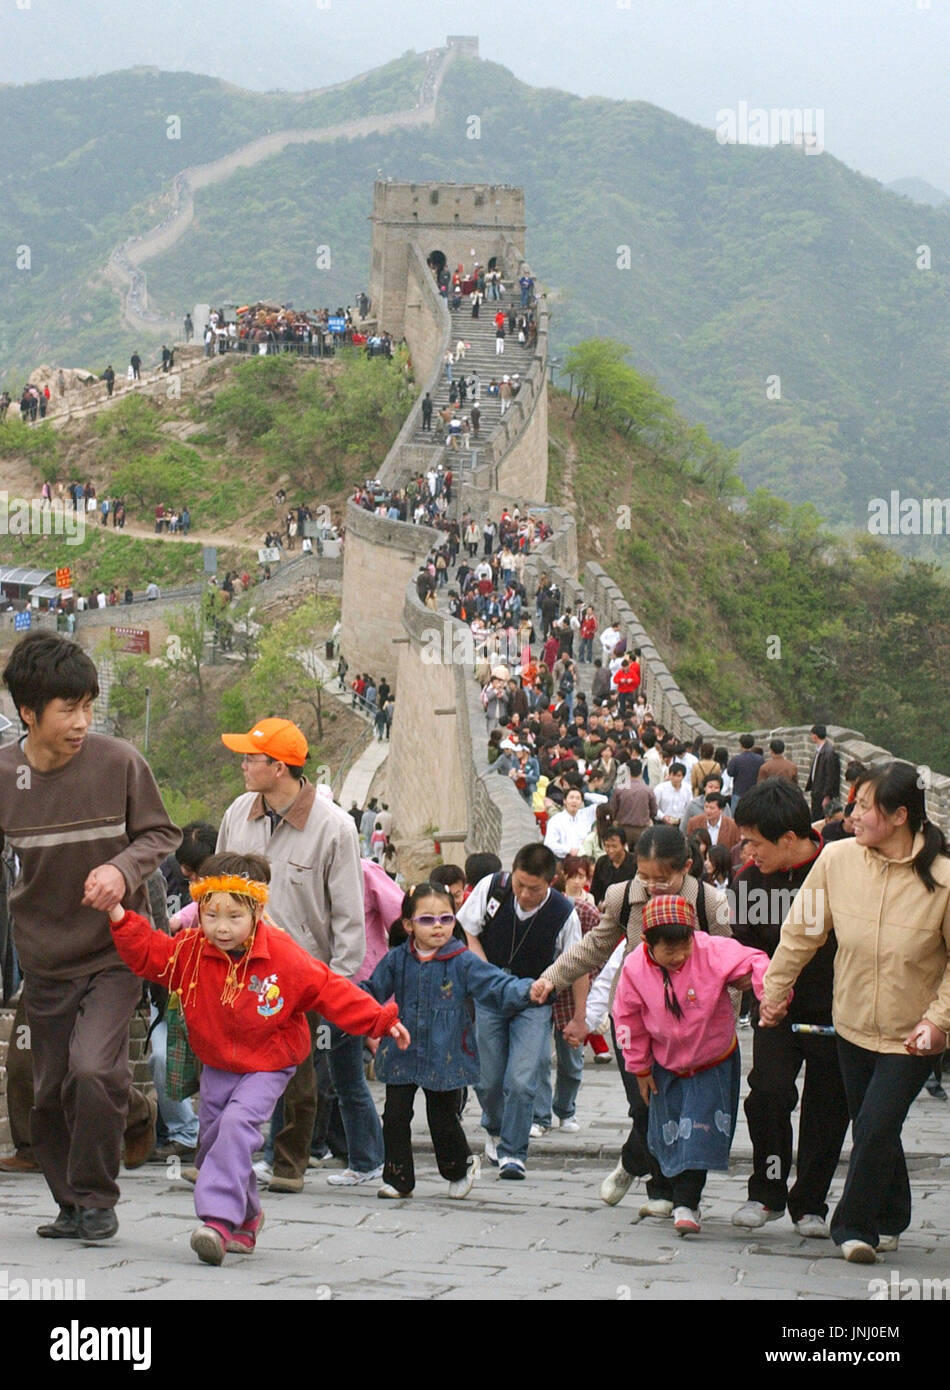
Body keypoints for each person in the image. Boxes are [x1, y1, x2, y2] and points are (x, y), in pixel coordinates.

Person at [109, 852, 408, 1264]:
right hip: (217, 1063)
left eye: (233, 917)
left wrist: (379, 1019)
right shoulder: (191, 950)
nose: (221, 927)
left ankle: (216, 1221)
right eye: (211, 916)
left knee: (235, 1127)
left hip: (269, 1062)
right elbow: (150, 954)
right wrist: (118, 915)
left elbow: (330, 989)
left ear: (256, 911)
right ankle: (249, 1218)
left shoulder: (283, 956)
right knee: (214, 1141)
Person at [0, 633, 180, 1241]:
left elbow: (161, 835)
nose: (82, 722)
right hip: (44, 958)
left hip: (115, 952)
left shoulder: (119, 761)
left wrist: (119, 869)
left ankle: (99, 1200)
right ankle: (70, 1202)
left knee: (93, 1071)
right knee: (46, 1094)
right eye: (67, 708)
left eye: (88, 706)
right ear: (28, 712)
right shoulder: (3, 776)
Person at [759, 761, 950, 1262]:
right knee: (874, 1122)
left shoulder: (944, 878)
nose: (851, 816)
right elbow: (802, 932)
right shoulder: (838, 860)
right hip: (851, 1023)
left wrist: (939, 1019)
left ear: (900, 815)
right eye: (853, 803)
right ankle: (894, 1213)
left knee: (874, 1124)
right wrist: (774, 990)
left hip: (915, 1031)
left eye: (865, 807)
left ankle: (853, 1226)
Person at [216, 719, 386, 1190]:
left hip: (301, 972)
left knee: (297, 1073)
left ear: (278, 768)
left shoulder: (334, 828)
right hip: (238, 966)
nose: (244, 765)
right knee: (231, 1062)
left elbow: (350, 916)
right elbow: (217, 887)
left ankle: (288, 1163)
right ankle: (232, 1153)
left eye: (252, 758)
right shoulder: (238, 813)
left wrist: (338, 985)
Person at [532, 825, 732, 1210]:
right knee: (645, 1105)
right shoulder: (623, 897)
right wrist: (550, 978)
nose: (653, 885)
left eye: (664, 878)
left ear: (687, 867)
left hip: (693, 1027)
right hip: (635, 1019)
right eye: (645, 876)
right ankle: (653, 1178)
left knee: (685, 1107)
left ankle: (653, 1178)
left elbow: (730, 966)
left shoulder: (709, 903)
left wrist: (724, 1026)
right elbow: (594, 947)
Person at [730, 778, 850, 1238]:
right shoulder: (748, 881)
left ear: (789, 839)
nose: (748, 851)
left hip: (835, 1012)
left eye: (754, 842)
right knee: (768, 1096)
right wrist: (763, 988)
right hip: (775, 1011)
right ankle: (768, 1190)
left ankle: (810, 1202)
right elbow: (743, 948)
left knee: (828, 1105)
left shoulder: (839, 867)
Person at [363, 882, 536, 1199]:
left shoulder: (463, 961)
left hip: (447, 1052)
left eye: (446, 918)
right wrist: (340, 1000)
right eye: (427, 920)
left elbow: (496, 985)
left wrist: (528, 990)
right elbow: (371, 991)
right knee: (396, 1116)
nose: (438, 926)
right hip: (402, 1051)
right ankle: (398, 1179)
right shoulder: (396, 960)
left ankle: (459, 1169)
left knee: (442, 1118)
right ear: (408, 924)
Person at [612, 894, 770, 1234]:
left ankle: (686, 1204)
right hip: (664, 1064)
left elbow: (756, 961)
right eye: (669, 950)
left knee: (697, 1131)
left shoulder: (711, 950)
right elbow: (627, 1019)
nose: (679, 956)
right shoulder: (634, 969)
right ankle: (661, 1185)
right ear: (648, 943)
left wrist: (765, 993)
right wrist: (638, 1066)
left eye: (684, 946)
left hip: (711, 1060)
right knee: (669, 1133)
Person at [457, 843, 585, 1180]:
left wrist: (580, 1017)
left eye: (534, 888)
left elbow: (577, 965)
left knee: (523, 1077)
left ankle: (514, 1151)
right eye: (520, 885)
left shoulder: (563, 913)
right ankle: (495, 1129)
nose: (525, 894)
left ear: (551, 882)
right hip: (490, 996)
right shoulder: (492, 888)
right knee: (488, 1078)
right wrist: (483, 972)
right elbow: (468, 929)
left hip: (535, 999)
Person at [804, 724, 841, 820]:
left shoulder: (829, 753)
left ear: (815, 736)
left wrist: (827, 796)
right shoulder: (821, 751)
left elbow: (831, 776)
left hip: (821, 794)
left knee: (820, 819)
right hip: (816, 792)